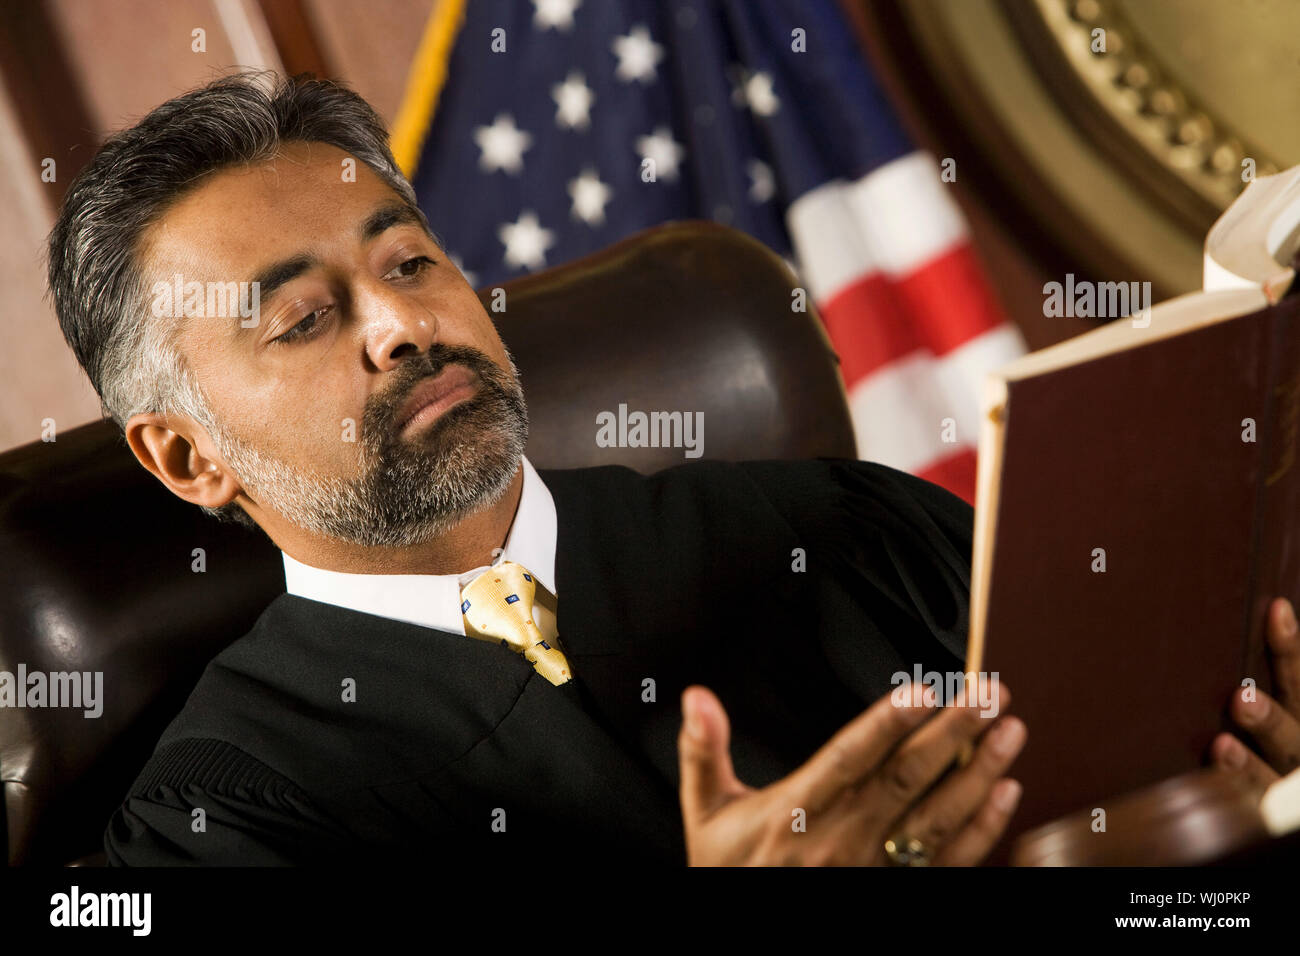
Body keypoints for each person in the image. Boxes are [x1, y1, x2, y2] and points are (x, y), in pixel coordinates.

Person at [44, 72, 1299, 867]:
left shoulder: (849, 528)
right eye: (306, 318)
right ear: (186, 453)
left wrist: (1250, 776)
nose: (402, 324)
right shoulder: (220, 827)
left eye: (410, 261)